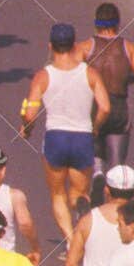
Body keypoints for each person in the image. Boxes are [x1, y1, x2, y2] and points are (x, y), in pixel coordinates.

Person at [20, 22, 111, 238]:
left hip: (56, 138)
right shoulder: (90, 73)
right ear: (73, 46)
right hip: (83, 137)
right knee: (79, 193)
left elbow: (30, 114)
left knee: (58, 194)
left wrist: (26, 128)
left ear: (50, 46)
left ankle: (71, 239)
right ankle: (81, 207)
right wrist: (95, 128)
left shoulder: (43, 76)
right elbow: (105, 107)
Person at [80, 3, 134, 184]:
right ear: (118, 24)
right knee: (116, 166)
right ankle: (113, 187)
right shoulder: (127, 48)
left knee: (92, 152)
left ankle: (97, 172)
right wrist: (132, 80)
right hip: (118, 109)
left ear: (96, 23)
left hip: (93, 108)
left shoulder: (86, 47)